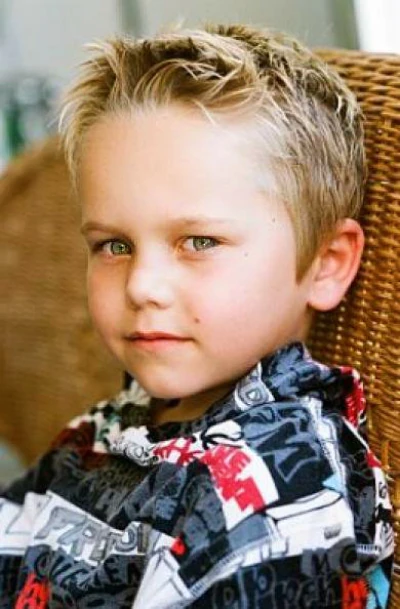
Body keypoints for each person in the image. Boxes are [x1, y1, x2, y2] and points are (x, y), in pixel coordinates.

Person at [0, 24, 393, 608]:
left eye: (200, 242)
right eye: (114, 245)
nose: (142, 285)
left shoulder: (274, 492)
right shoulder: (113, 424)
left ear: (326, 264)